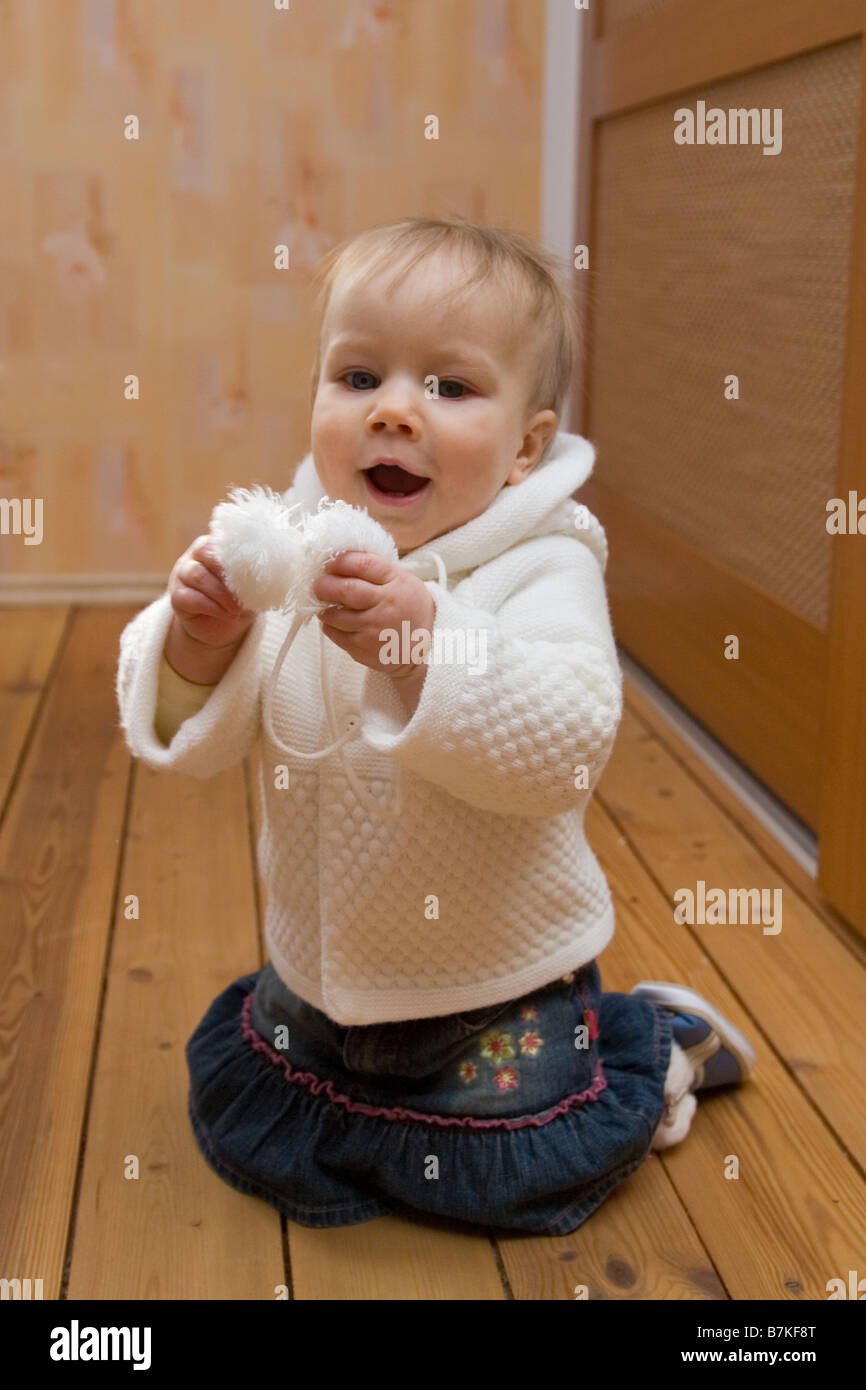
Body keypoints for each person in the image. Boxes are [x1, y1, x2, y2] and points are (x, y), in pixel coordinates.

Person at [115, 216, 756, 1236]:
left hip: (490, 993)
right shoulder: (293, 545)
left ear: (523, 447)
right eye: (358, 376)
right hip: (321, 981)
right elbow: (207, 725)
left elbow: (568, 735)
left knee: (509, 1170)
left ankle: (650, 1042)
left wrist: (427, 644)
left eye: (450, 388)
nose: (396, 413)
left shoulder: (541, 563)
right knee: (256, 1112)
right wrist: (198, 640)